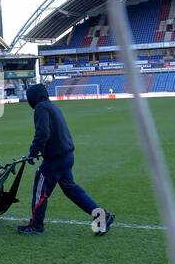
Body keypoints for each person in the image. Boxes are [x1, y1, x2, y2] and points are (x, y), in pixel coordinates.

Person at [18, 81, 113, 236]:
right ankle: (102, 216)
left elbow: (43, 133)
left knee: (40, 190)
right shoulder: (52, 106)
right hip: (66, 156)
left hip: (55, 159)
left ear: (33, 98)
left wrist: (33, 152)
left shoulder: (41, 108)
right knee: (72, 190)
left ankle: (36, 225)